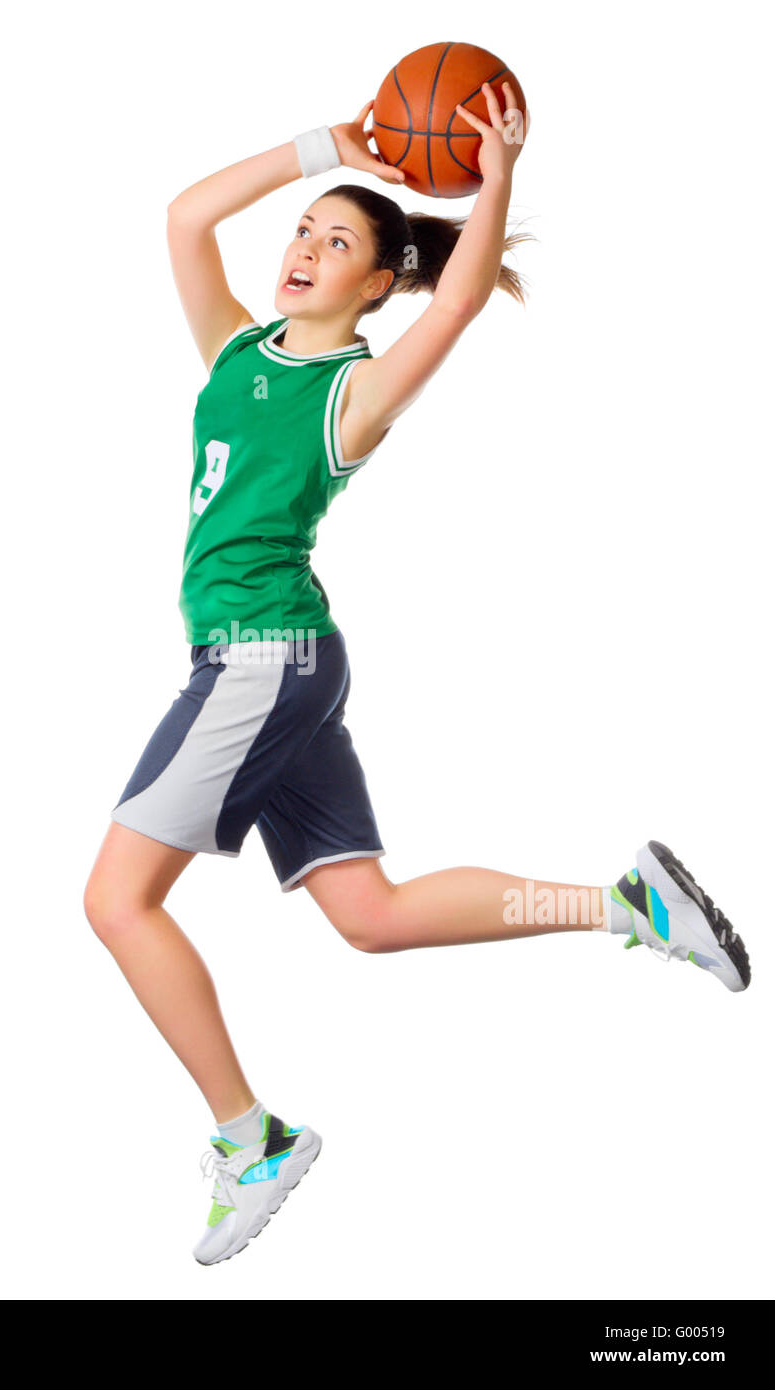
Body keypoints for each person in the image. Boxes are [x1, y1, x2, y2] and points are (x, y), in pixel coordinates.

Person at [83, 90, 751, 1267]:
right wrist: (320, 152)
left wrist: (491, 180)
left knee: (115, 900)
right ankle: (628, 906)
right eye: (301, 231)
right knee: (371, 917)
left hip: (262, 662)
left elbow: (455, 304)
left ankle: (254, 1141)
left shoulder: (353, 393)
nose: (302, 250)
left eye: (336, 244)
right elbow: (185, 219)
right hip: (275, 665)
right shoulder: (239, 348)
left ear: (378, 283)